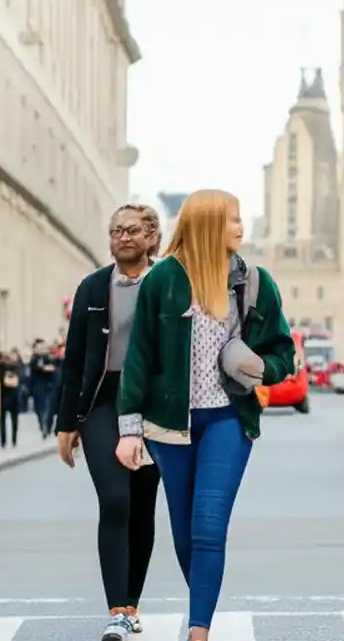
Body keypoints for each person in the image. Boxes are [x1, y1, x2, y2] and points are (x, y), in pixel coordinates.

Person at [114, 189, 294, 641]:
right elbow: (139, 357)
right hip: (169, 425)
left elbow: (282, 352)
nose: (240, 226)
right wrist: (129, 429)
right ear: (208, 224)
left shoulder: (254, 281)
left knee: (210, 524)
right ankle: (203, 607)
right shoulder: (163, 280)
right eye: (232, 218)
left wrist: (260, 367)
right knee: (184, 533)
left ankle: (199, 631)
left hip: (228, 420)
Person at [56, 204, 164, 641]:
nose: (123, 237)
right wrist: (67, 423)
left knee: (141, 505)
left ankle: (132, 603)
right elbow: (75, 357)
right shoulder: (92, 287)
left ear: (151, 237)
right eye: (116, 230)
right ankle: (116, 608)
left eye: (133, 230)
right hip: (102, 402)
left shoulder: (167, 283)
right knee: (115, 500)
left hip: (154, 405)